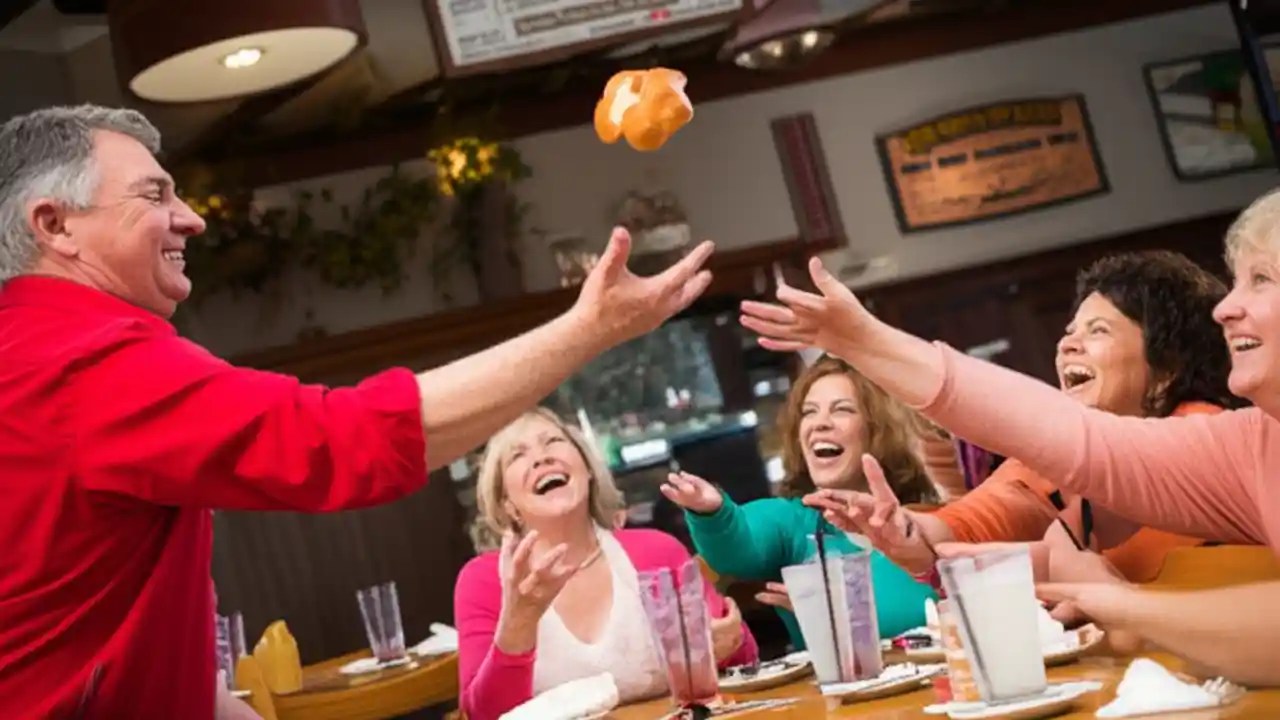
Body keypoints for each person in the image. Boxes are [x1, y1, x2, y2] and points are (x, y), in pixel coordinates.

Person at [0, 105, 715, 719]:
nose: (188, 218)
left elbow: (108, 623)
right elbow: (345, 438)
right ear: (55, 224)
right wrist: (590, 329)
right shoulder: (79, 361)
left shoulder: (30, 355)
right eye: (154, 193)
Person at [738, 197, 1280, 686]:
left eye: (1261, 280)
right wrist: (918, 541)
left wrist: (1121, 605)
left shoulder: (1204, 430)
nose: (1225, 308)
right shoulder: (1246, 444)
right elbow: (1042, 466)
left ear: (1165, 370)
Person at [806, 252, 1242, 601]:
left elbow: (1080, 565)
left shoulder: (1208, 437)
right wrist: (903, 534)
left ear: (1165, 368)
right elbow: (977, 520)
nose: (1067, 342)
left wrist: (1053, 561)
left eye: (1098, 331)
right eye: (1070, 329)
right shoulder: (1054, 460)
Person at [454, 409, 758, 720]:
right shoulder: (482, 581)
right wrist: (519, 619)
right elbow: (484, 715)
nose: (541, 458)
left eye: (553, 441)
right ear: (508, 504)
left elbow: (746, 662)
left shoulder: (657, 551)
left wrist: (723, 647)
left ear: (587, 470)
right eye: (517, 455)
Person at [659, 356, 939, 650]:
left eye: (842, 410)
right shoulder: (793, 522)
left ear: (882, 431)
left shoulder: (934, 521)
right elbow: (736, 548)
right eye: (809, 412)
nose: (819, 424)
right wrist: (712, 512)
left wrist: (840, 615)